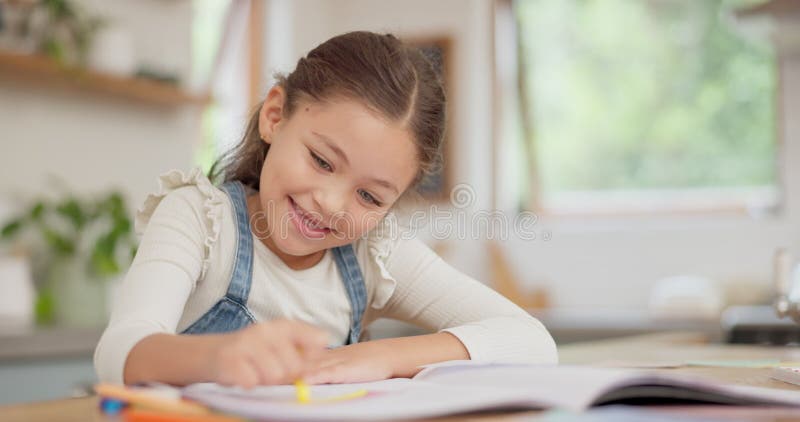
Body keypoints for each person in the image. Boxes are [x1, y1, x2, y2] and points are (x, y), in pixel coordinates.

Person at [94, 31, 556, 388]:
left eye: (370, 197)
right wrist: (219, 358)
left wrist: (380, 358)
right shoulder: (199, 219)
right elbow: (120, 350)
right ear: (275, 116)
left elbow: (532, 341)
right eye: (320, 161)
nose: (331, 205)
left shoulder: (374, 253)